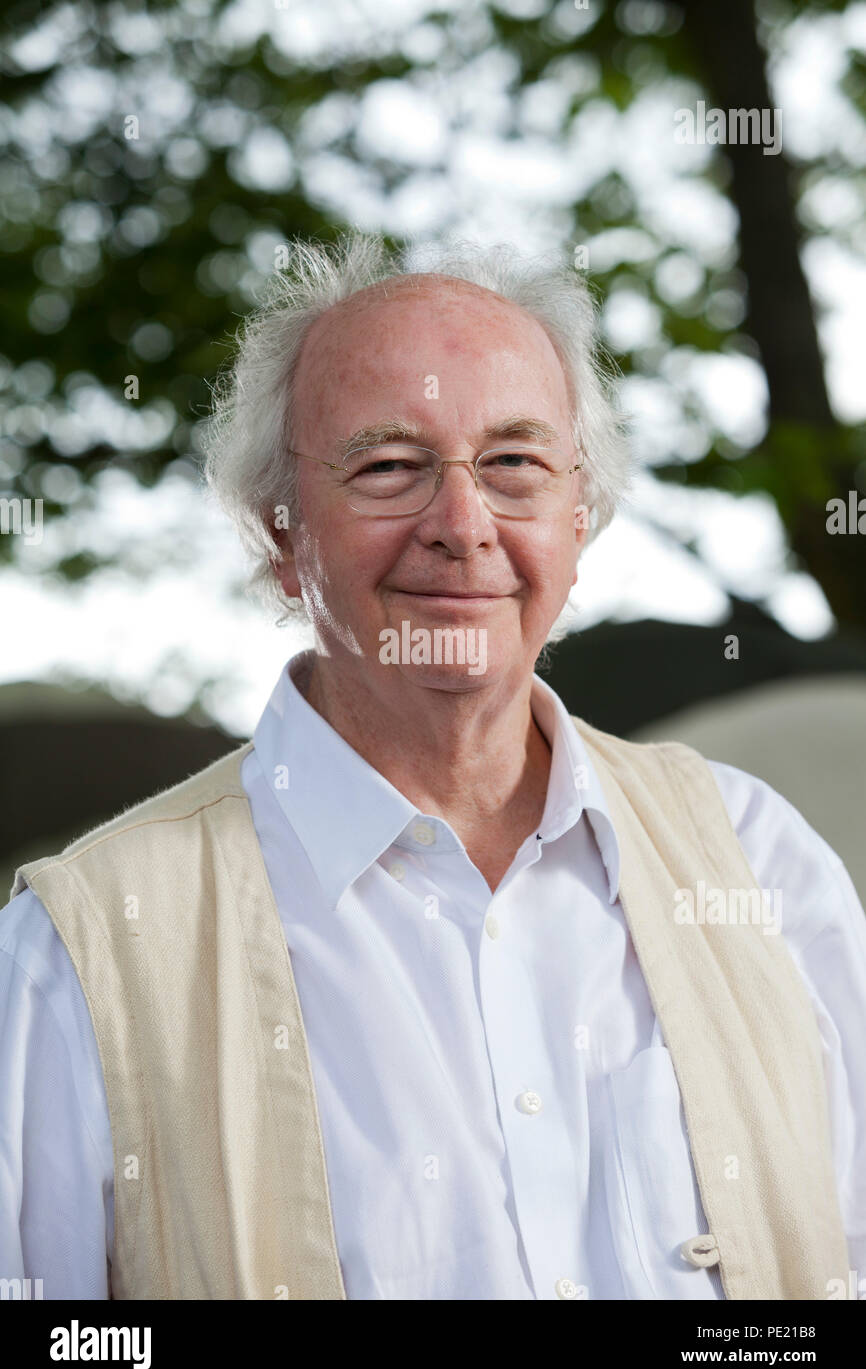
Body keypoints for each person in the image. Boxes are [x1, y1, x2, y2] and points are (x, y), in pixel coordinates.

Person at [1, 233, 863, 1301]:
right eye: (387, 467)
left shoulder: (761, 862)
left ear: (577, 512)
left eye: (513, 463)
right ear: (279, 532)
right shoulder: (81, 952)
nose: (462, 526)